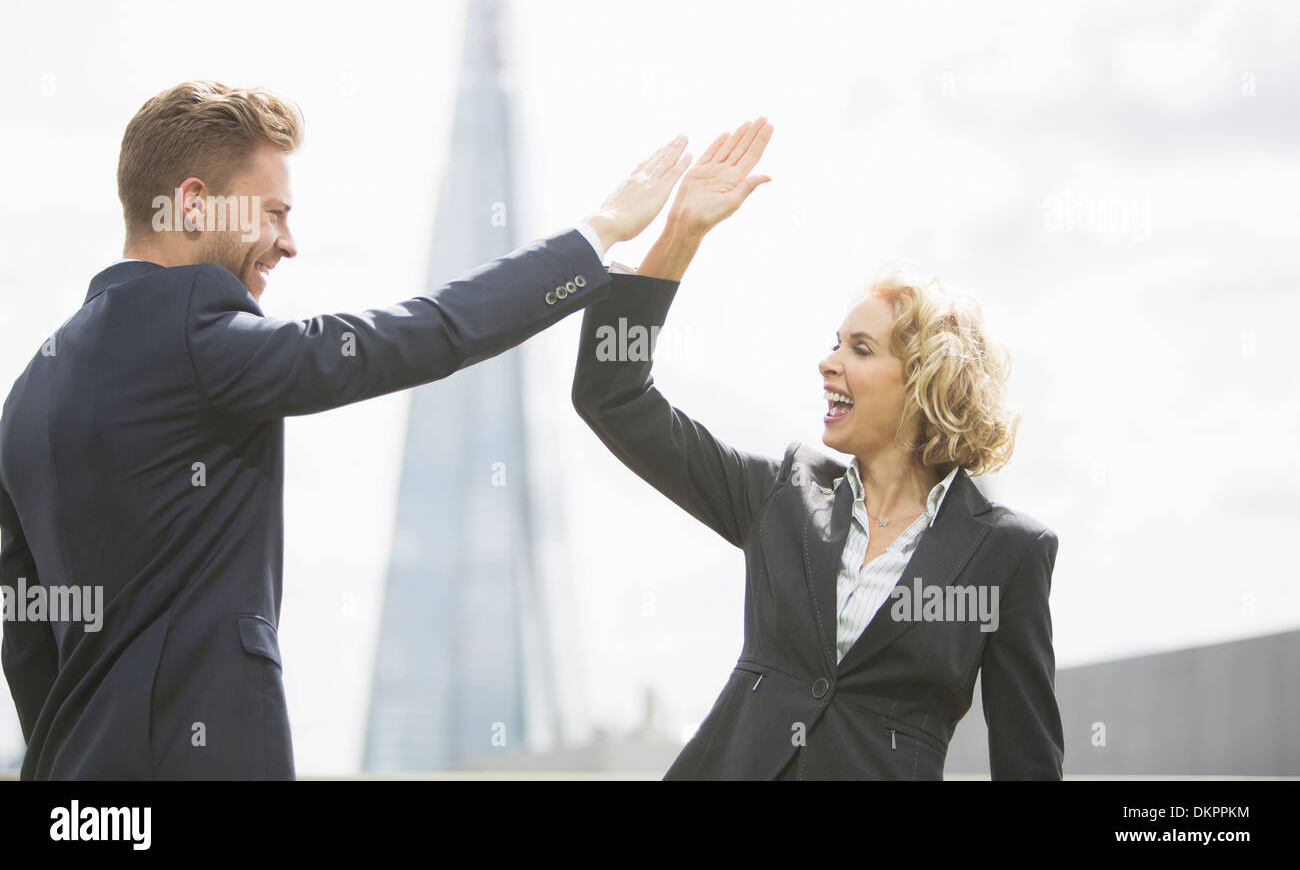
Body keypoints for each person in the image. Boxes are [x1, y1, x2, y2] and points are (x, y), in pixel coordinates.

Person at [0, 80, 692, 779]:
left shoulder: (29, 394)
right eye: (272, 214)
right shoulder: (198, 340)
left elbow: (26, 637)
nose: (288, 243)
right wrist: (594, 235)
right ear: (192, 203)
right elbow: (423, 332)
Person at [571, 117, 1064, 779]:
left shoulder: (1008, 552)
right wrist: (680, 235)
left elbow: (1028, 762)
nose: (829, 363)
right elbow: (613, 397)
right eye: (835, 342)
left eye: (859, 349)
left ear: (924, 383)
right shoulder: (784, 492)